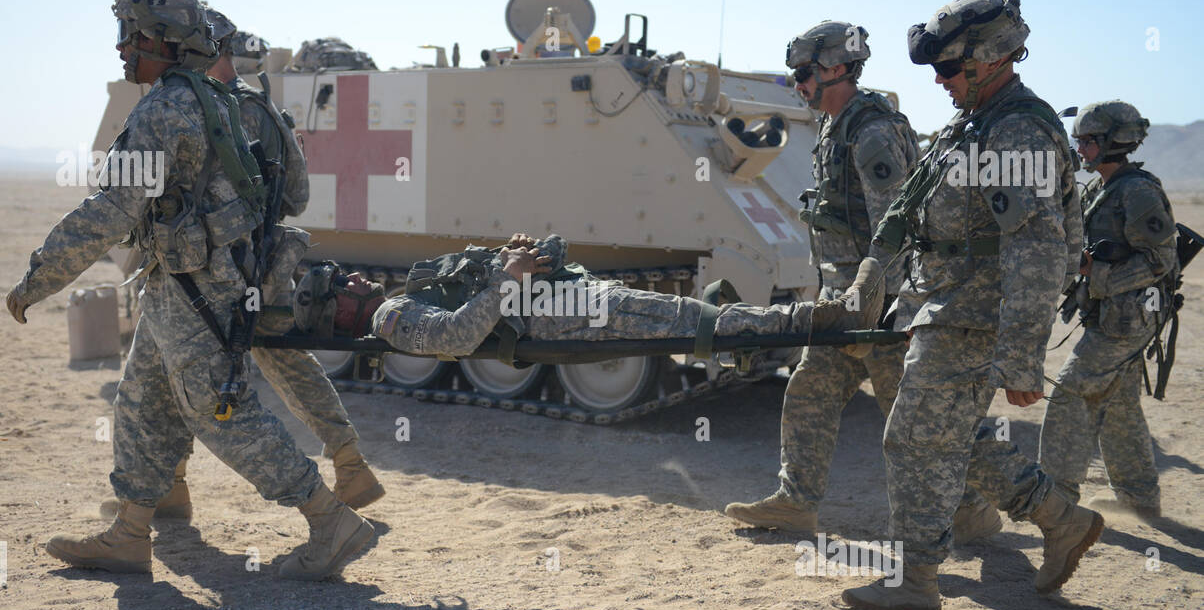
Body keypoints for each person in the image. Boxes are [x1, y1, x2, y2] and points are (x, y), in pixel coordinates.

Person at [6, 0, 372, 581]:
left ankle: (329, 520)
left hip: (197, 290)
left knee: (220, 414)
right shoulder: (216, 100)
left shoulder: (162, 111)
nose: (123, 48)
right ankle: (129, 533)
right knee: (141, 400)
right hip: (182, 283)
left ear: (167, 42)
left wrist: (40, 277)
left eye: (134, 36)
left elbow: (113, 210)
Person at [841, 0, 1102, 610]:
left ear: (990, 58)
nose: (939, 80)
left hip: (977, 317)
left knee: (913, 439)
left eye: (950, 68)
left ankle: (916, 581)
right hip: (946, 308)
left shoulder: (1017, 131)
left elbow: (1037, 247)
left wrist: (1020, 358)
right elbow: (913, 214)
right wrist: (885, 290)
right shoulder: (972, 122)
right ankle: (1062, 521)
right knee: (953, 434)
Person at [97, 10, 384, 521]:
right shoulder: (262, 108)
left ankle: (170, 488)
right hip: (266, 266)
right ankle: (350, 464)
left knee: (171, 370)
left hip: (203, 275)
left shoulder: (191, 109)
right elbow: (297, 196)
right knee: (286, 361)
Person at [725, 21, 919, 535]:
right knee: (810, 390)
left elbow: (893, 228)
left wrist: (880, 303)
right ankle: (795, 501)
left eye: (804, 75)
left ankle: (1021, 507)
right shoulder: (836, 125)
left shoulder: (872, 131)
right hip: (845, 300)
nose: (799, 86)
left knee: (918, 421)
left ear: (836, 69)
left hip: (880, 304)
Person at [303, 234, 887, 354]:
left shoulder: (400, 298)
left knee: (688, 317)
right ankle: (827, 318)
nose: (355, 279)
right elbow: (456, 338)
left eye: (347, 275)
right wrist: (512, 275)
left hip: (560, 305)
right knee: (690, 318)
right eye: (343, 287)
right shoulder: (390, 317)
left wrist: (514, 261)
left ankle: (820, 321)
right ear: (342, 313)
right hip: (557, 316)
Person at [1039, 101, 1177, 520]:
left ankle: (1054, 500)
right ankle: (1138, 498)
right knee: (1118, 404)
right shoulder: (1103, 189)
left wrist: (1096, 275)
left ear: (1111, 143)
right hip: (1113, 316)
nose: (1079, 148)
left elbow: (1161, 259)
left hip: (1129, 319)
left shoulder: (1137, 191)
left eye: (1086, 141)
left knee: (1070, 394)